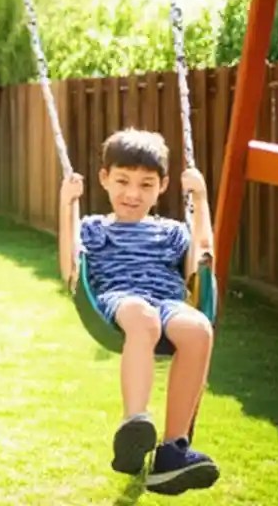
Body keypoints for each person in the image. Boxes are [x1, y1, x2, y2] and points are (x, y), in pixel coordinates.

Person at [60, 128, 219, 495]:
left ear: (162, 186)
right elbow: (70, 267)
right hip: (121, 300)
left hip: (167, 302)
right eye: (123, 181)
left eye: (146, 185)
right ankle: (135, 423)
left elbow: (203, 257)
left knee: (198, 329)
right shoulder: (95, 229)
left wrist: (201, 198)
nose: (133, 193)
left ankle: (172, 451)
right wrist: (66, 204)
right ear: (104, 178)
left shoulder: (173, 232)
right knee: (142, 317)